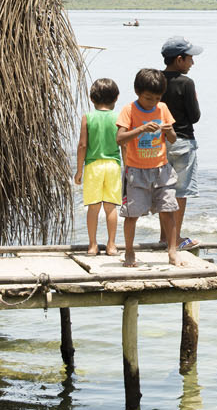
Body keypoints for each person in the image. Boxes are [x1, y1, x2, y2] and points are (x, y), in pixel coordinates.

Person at [117, 67, 182, 266]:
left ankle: (172, 252)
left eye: (156, 98)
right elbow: (120, 138)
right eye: (147, 98)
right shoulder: (129, 110)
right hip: (136, 171)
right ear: (137, 92)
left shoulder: (162, 109)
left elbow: (172, 138)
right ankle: (129, 252)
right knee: (132, 214)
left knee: (168, 210)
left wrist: (169, 130)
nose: (152, 102)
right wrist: (142, 128)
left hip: (161, 169)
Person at [160, 35, 204, 247]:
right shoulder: (186, 83)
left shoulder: (155, 80)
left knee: (163, 189)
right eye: (190, 58)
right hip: (183, 141)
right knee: (180, 192)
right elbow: (194, 116)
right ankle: (175, 239)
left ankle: (163, 237)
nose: (192, 62)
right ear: (179, 59)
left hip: (158, 141)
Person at [74, 77, 124, 256]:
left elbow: (82, 146)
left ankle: (93, 245)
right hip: (113, 165)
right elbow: (123, 144)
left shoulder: (87, 117)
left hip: (93, 165)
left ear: (92, 98)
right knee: (111, 206)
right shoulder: (119, 118)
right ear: (116, 97)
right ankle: (111, 245)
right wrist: (127, 167)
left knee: (93, 207)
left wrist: (79, 170)